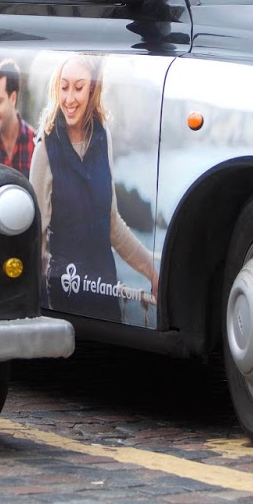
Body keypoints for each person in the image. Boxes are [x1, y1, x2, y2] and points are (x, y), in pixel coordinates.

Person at [27, 54, 158, 322]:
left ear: (92, 90)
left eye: (78, 87)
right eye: (64, 87)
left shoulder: (103, 138)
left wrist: (153, 273)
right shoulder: (45, 149)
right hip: (63, 294)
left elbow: (112, 225)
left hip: (105, 289)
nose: (69, 98)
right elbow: (34, 237)